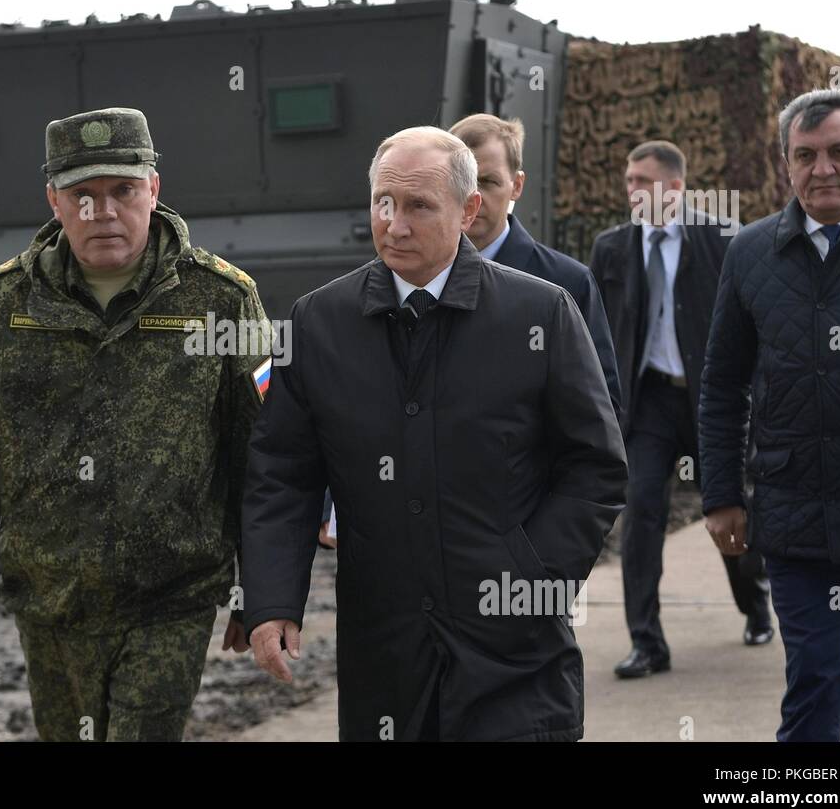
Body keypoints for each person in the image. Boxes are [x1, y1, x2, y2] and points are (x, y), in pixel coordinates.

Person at [241, 127, 627, 741]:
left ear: (469, 210)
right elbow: (282, 474)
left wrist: (533, 577)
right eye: (383, 203)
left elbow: (595, 466)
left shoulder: (541, 314)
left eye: (419, 206)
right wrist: (270, 601)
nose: (395, 224)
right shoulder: (319, 323)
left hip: (515, 652)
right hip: (385, 654)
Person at [0, 107, 268, 741]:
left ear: (153, 189)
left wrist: (262, 588)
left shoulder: (219, 300)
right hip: (50, 601)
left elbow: (262, 452)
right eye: (83, 195)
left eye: (123, 191)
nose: (104, 212)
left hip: (172, 597)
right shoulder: (4, 304)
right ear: (54, 201)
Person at [699, 89, 840, 741]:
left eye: (839, 152)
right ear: (786, 164)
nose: (822, 169)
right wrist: (721, 494)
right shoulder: (751, 254)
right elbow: (722, 384)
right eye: (805, 155)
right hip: (795, 508)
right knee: (815, 676)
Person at [591, 140, 773, 680]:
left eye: (641, 181)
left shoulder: (723, 240)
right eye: (627, 181)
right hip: (647, 404)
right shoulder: (611, 248)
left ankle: (754, 601)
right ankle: (646, 642)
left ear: (674, 188)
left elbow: (753, 324)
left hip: (711, 402)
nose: (630, 191)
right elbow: (597, 330)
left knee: (729, 509)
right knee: (642, 510)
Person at [449, 113, 622, 416]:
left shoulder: (567, 282)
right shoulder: (416, 277)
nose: (472, 197)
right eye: (460, 182)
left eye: (487, 182)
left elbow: (600, 410)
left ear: (516, 185)